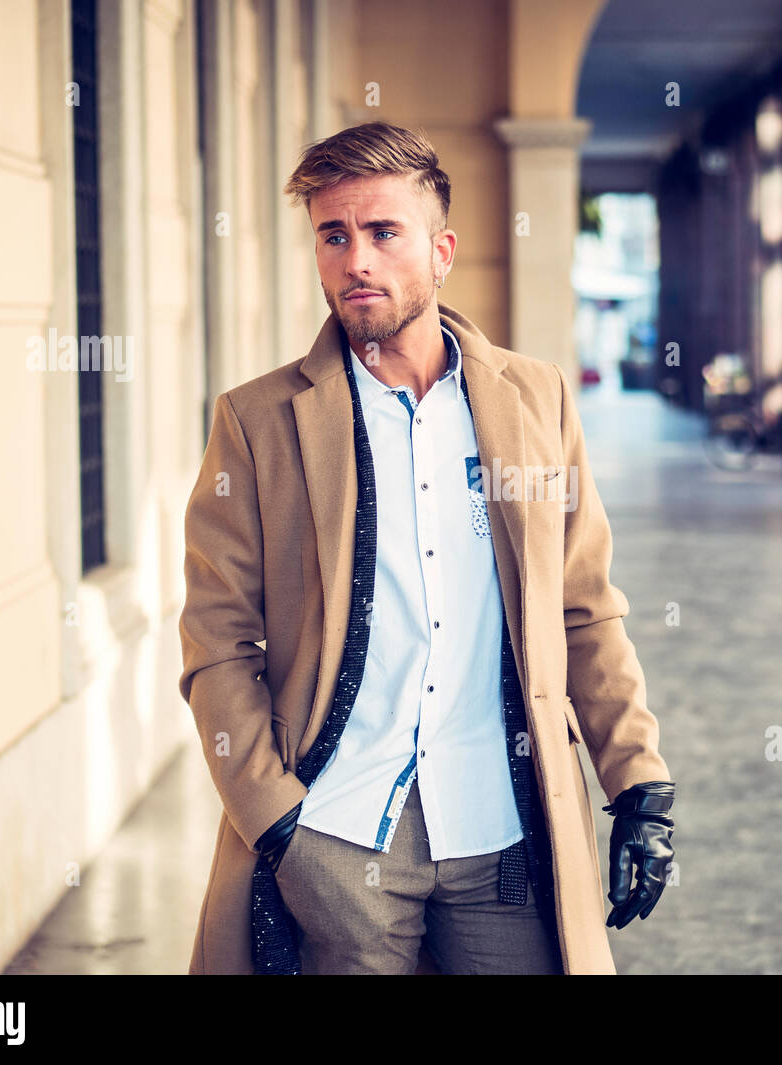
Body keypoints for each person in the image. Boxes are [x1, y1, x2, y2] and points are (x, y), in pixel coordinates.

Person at [179, 120, 675, 975]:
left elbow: (583, 607)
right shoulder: (257, 424)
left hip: (503, 825)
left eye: (382, 233)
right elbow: (217, 642)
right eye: (333, 235)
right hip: (336, 832)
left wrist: (639, 782)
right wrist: (276, 819)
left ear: (442, 251)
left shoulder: (536, 401)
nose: (354, 259)